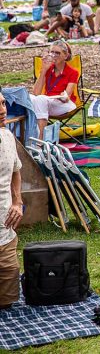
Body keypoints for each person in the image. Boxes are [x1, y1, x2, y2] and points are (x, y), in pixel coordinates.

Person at [0, 90, 23, 309]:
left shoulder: (7, 136)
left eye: (4, 104)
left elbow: (16, 170)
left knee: (7, 300)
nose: (2, 110)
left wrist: (18, 202)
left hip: (5, 229)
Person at [30, 41, 79, 139]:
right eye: (52, 52)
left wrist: (62, 96)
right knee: (30, 98)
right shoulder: (48, 69)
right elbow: (35, 93)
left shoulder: (72, 72)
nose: (53, 55)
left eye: (57, 53)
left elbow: (66, 97)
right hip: (48, 103)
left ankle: (39, 141)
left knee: (41, 100)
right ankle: (29, 137)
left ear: (65, 55)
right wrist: (43, 70)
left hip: (65, 104)